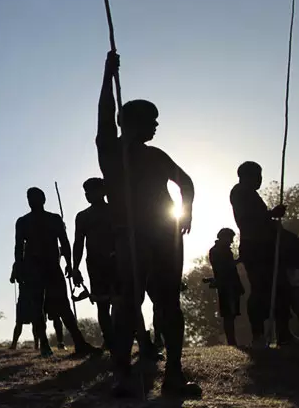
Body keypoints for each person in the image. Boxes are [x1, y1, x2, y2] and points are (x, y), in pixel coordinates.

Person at [97, 51, 200, 397]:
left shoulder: (157, 156)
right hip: (131, 235)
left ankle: (173, 373)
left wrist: (185, 212)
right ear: (132, 121)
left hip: (165, 234)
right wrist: (108, 76)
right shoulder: (112, 152)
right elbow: (104, 118)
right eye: (151, 120)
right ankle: (124, 375)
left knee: (168, 301)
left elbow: (186, 181)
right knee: (130, 301)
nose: (156, 126)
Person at [14, 187, 96, 358]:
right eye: (29, 197)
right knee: (37, 308)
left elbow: (64, 242)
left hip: (52, 266)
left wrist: (69, 263)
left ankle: (79, 342)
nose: (32, 200)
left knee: (64, 306)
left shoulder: (54, 219)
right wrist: (20, 268)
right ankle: (44, 344)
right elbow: (18, 247)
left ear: (43, 199)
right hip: (33, 267)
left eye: (35, 197)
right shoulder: (22, 222)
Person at [229, 161, 293, 347]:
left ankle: (283, 333)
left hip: (266, 247)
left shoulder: (251, 194)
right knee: (259, 289)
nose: (260, 179)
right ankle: (257, 334)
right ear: (247, 176)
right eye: (258, 175)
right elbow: (247, 219)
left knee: (280, 286)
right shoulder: (239, 192)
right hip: (254, 248)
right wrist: (271, 214)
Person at [72, 177, 116, 350]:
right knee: (101, 303)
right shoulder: (82, 216)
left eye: (92, 191)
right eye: (86, 192)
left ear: (103, 191)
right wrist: (75, 268)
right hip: (95, 264)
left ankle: (122, 336)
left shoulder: (115, 211)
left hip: (117, 261)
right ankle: (109, 339)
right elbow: (78, 243)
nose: (88, 195)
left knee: (120, 301)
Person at [208, 228, 244, 346]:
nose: (231, 242)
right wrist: (238, 260)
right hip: (226, 285)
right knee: (229, 314)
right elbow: (224, 268)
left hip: (229, 285)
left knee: (231, 314)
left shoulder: (219, 251)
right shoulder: (218, 251)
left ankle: (232, 340)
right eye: (230, 239)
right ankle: (231, 341)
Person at [8, 262, 39, 350]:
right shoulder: (20, 263)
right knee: (32, 322)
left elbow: (11, 279)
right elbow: (12, 279)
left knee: (21, 322)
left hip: (27, 296)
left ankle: (14, 344)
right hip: (30, 295)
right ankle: (36, 345)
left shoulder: (18, 263)